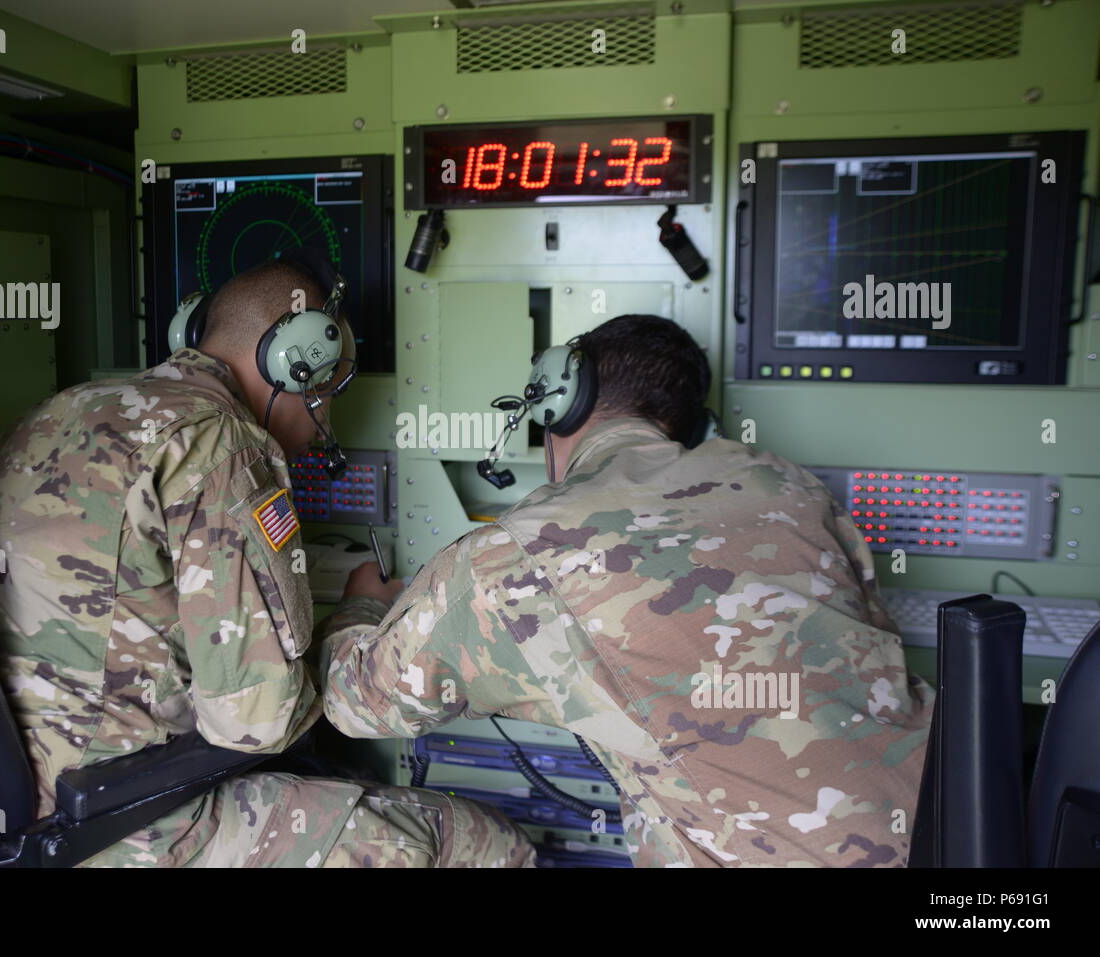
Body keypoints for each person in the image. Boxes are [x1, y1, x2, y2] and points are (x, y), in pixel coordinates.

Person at [0, 255, 533, 868]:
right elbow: (256, 722)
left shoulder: (55, 411)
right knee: (486, 845)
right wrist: (359, 612)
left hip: (21, 804)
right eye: (325, 393)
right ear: (297, 363)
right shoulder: (219, 443)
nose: (323, 428)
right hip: (131, 828)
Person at [320, 314, 935, 868]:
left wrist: (360, 606)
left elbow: (357, 703)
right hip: (954, 821)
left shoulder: (520, 552)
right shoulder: (789, 484)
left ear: (559, 402)